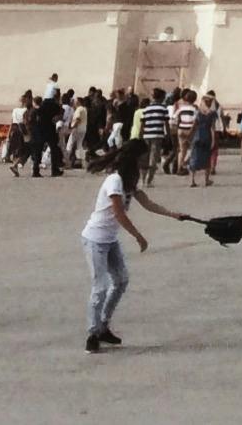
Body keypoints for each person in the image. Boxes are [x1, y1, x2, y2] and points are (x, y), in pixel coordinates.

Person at [82, 138, 190, 351]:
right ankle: (92, 334)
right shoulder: (114, 181)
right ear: (134, 158)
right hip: (95, 238)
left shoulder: (129, 182)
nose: (146, 160)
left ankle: (103, 326)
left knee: (121, 281)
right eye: (143, 156)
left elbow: (147, 203)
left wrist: (174, 215)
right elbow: (119, 213)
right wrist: (138, 236)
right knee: (100, 287)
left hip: (110, 239)